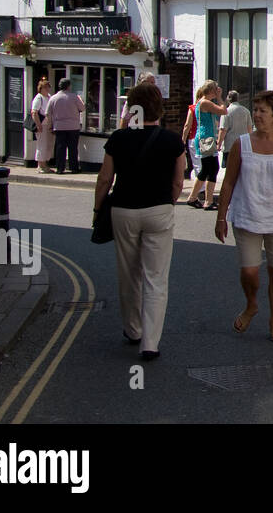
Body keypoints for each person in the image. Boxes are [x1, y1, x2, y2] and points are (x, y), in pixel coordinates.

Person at [93, 81, 185, 362]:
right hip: (159, 210)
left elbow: (105, 179)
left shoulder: (118, 138)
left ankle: (133, 330)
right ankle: (150, 343)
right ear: (159, 108)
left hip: (123, 211)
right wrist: (167, 201)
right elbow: (179, 182)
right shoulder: (172, 141)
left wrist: (98, 209)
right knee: (156, 278)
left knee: (129, 273)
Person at [214, 90, 273, 343]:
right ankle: (251, 304)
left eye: (262, 111)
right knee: (249, 272)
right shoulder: (241, 144)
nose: (256, 115)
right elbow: (228, 183)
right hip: (246, 217)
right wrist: (221, 217)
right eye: (255, 110)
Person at [187, 81, 228, 210]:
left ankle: (194, 198)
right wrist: (220, 98)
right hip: (206, 138)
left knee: (207, 169)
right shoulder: (205, 102)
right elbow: (224, 111)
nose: (218, 91)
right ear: (211, 90)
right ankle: (208, 201)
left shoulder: (202, 102)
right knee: (212, 168)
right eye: (216, 89)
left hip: (205, 137)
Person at [45, 78, 86, 174]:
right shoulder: (74, 97)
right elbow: (82, 108)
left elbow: (48, 113)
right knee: (73, 148)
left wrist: (50, 125)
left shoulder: (53, 98)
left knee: (60, 148)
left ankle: (60, 168)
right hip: (73, 127)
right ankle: (74, 168)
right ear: (68, 86)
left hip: (59, 126)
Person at [219, 90, 253, 162]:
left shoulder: (226, 112)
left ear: (228, 99)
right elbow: (250, 129)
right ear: (238, 98)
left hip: (230, 146)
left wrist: (218, 144)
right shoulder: (246, 111)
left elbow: (223, 130)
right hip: (243, 145)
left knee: (230, 169)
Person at [30, 77, 54, 174]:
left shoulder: (49, 97)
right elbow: (34, 112)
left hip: (48, 125)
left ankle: (45, 164)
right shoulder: (38, 98)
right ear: (41, 88)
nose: (48, 89)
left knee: (48, 144)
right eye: (46, 87)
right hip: (42, 125)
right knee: (42, 144)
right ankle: (40, 165)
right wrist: (38, 125)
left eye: (48, 87)